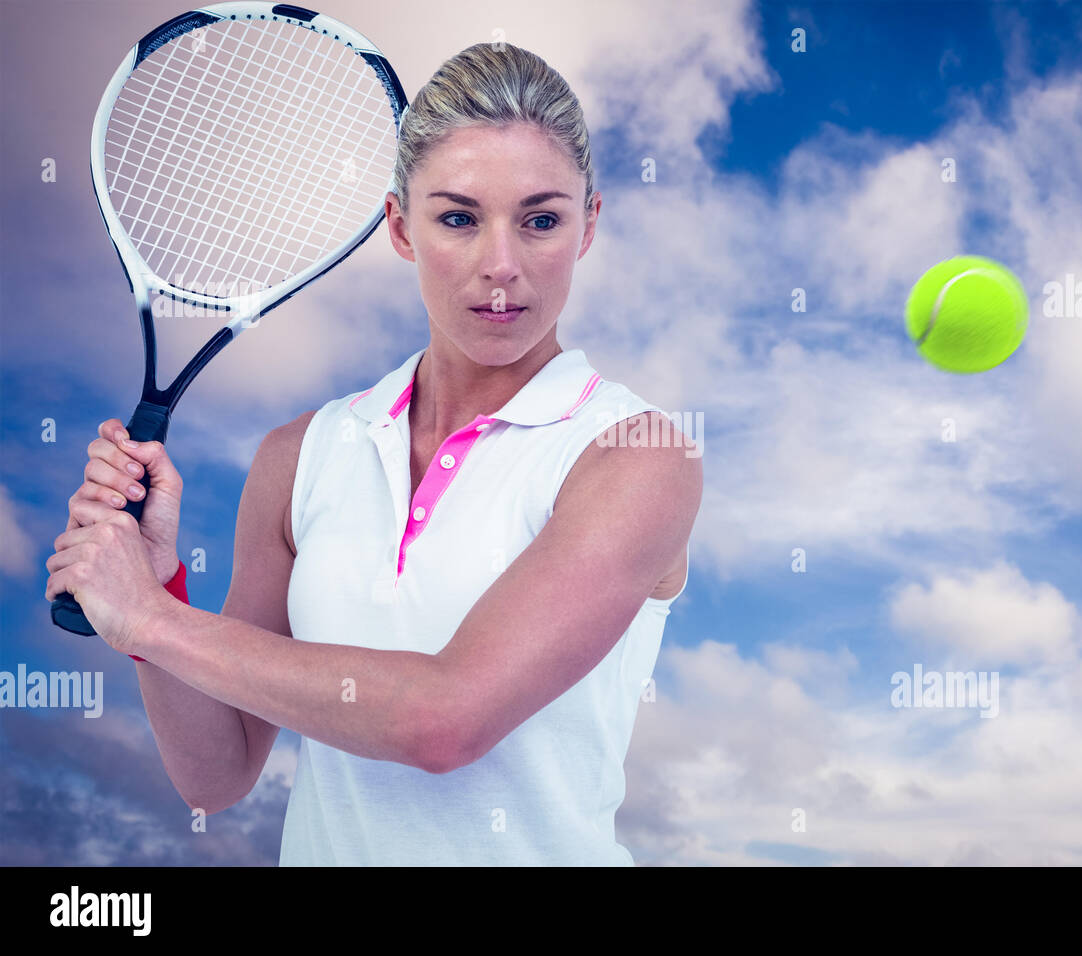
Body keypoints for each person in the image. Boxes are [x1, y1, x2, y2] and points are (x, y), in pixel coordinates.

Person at [45, 42, 702, 866]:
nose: (501, 265)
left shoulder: (637, 458)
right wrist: (155, 582)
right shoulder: (298, 458)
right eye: (458, 218)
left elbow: (445, 720)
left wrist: (150, 616)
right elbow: (216, 775)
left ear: (589, 225)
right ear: (400, 226)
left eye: (541, 219)